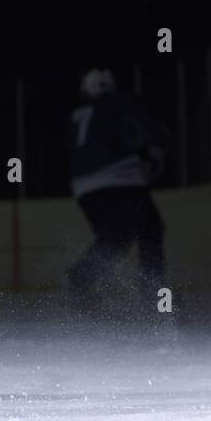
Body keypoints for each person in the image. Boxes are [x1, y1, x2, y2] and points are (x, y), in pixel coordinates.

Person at [66, 68, 169, 311]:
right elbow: (154, 134)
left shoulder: (76, 115)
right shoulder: (119, 103)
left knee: (116, 238)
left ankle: (82, 277)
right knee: (150, 229)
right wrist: (153, 154)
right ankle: (152, 296)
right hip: (121, 179)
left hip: (84, 188)